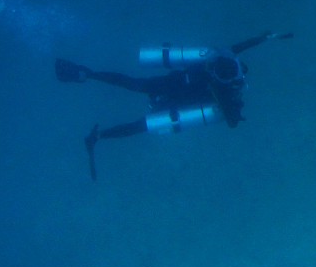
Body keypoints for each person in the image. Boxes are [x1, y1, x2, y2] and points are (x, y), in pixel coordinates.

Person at [55, 32, 287, 179]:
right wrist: (236, 104)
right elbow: (233, 122)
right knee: (142, 125)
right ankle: (99, 136)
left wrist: (267, 37)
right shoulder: (224, 91)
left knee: (133, 84)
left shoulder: (215, 59)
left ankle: (87, 75)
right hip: (175, 104)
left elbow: (240, 45)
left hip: (168, 84)